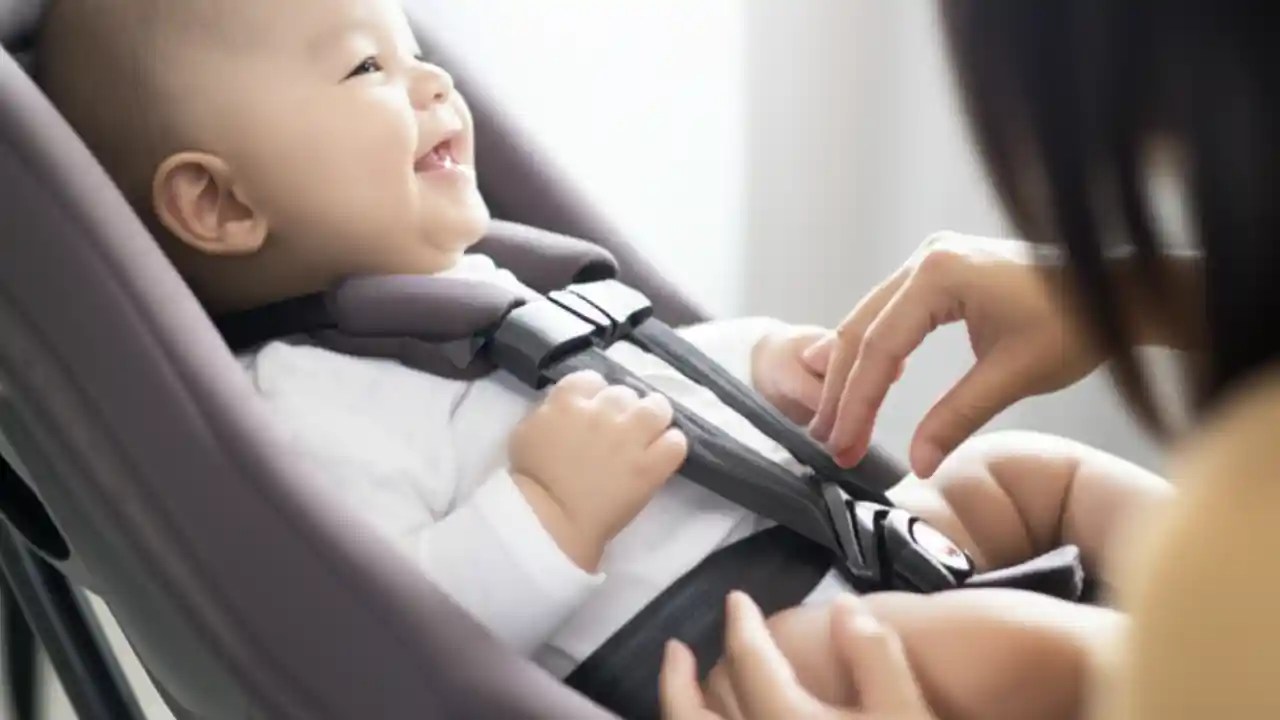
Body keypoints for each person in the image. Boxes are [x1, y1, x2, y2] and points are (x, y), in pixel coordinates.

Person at [37, 1, 1166, 717]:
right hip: (728, 659)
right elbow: (380, 626)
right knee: (995, 649)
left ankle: (1210, 587)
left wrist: (753, 366)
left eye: (419, 53)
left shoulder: (491, 287)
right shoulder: (296, 408)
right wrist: (540, 511)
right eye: (362, 72)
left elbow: (636, 368)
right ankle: (1167, 667)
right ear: (219, 201)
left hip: (833, 546)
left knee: (1028, 476)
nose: (435, 86)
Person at [662, 2, 1280, 718]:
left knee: (1053, 655)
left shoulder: (1237, 539)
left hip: (1192, 635)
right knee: (1025, 474)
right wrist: (1127, 294)